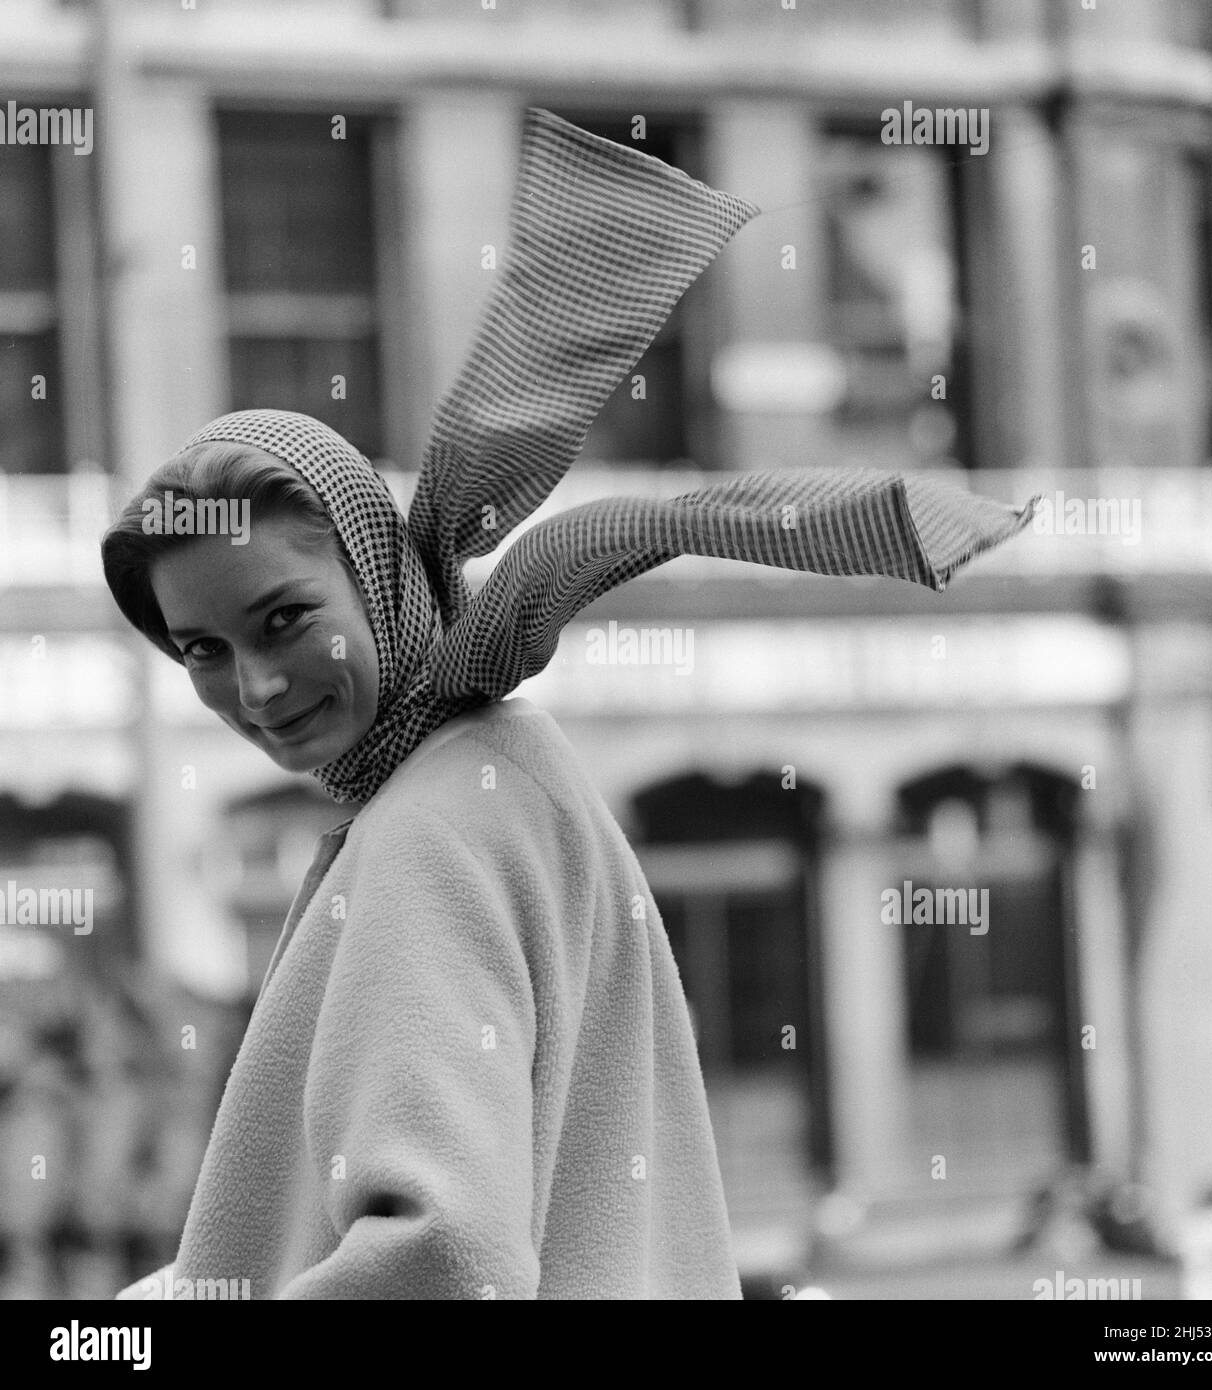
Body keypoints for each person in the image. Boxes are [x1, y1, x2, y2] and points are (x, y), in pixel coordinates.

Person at [102, 109, 1035, 1300]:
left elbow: (442, 1253)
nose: (258, 687)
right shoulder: (498, 767)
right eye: (203, 650)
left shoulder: (434, 825)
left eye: (283, 618)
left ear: (380, 574)